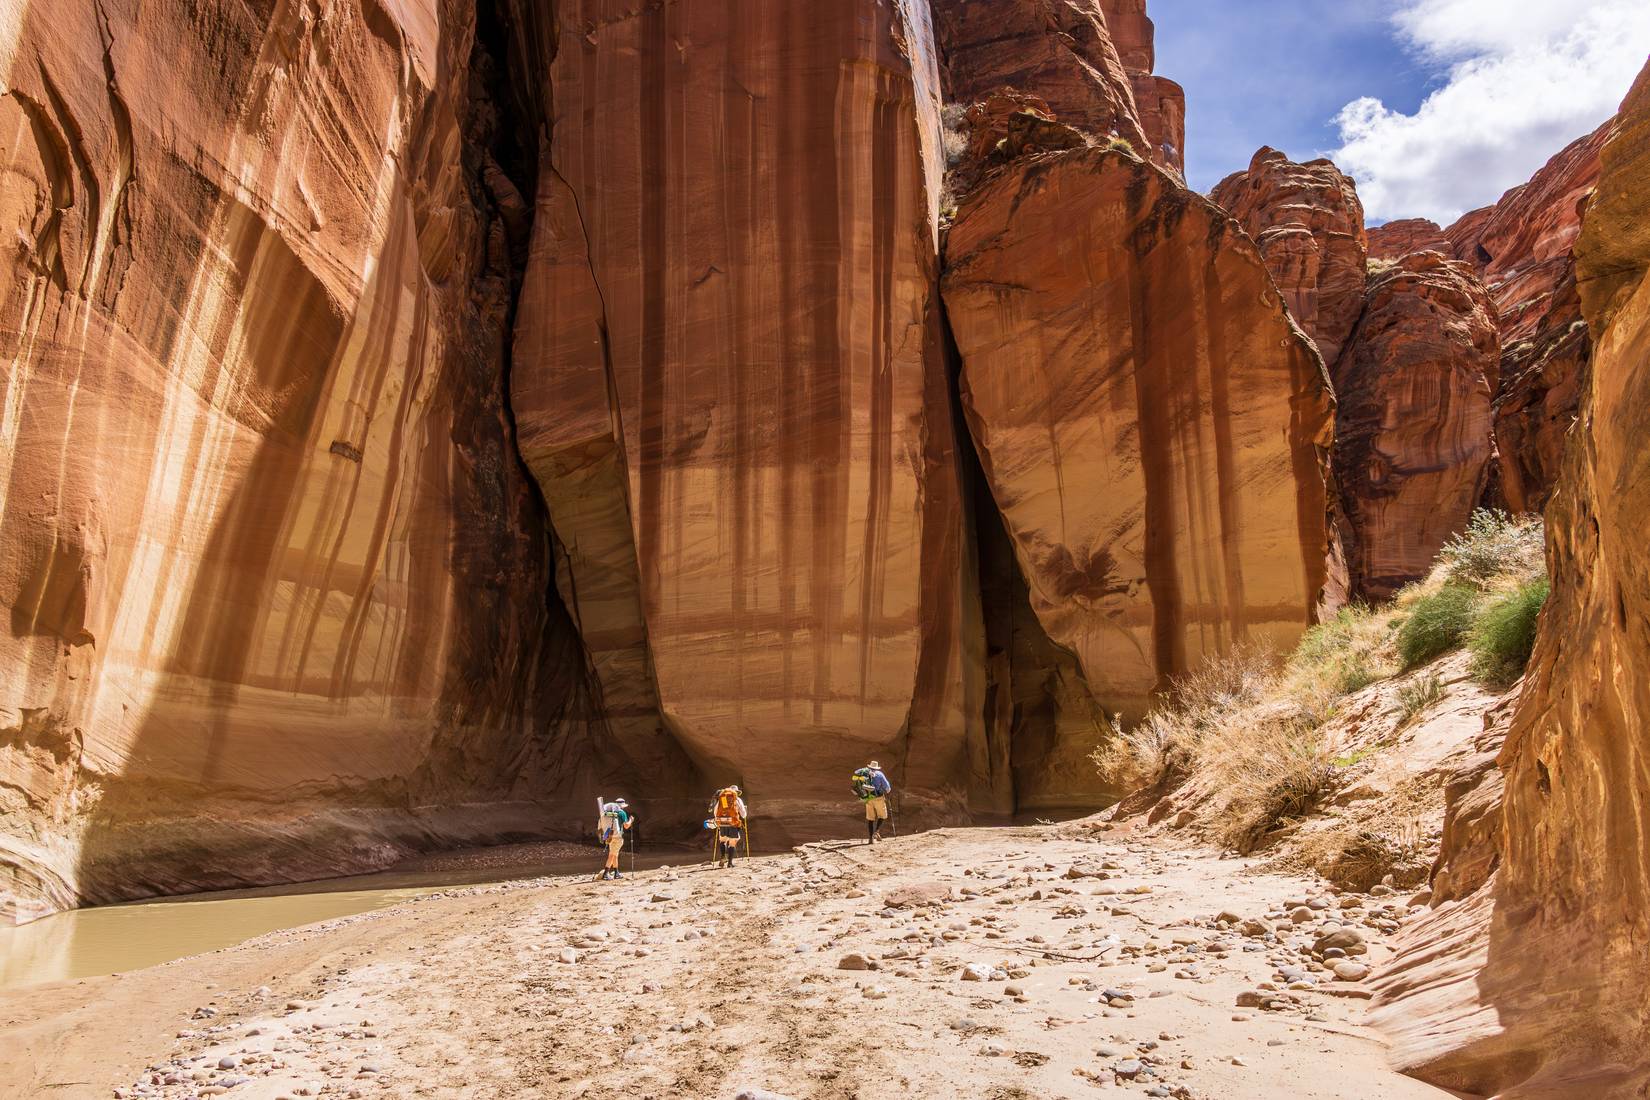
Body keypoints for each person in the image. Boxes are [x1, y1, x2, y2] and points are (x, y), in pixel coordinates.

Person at [852, 761, 892, 844]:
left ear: (869, 767)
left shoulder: (864, 773)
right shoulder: (879, 774)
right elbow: (887, 787)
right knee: (882, 815)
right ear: (876, 768)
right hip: (878, 798)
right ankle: (876, 831)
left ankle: (870, 839)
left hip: (868, 798)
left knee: (870, 818)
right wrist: (887, 790)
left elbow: (856, 773)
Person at [710, 785, 747, 868]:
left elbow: (715, 812)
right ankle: (730, 863)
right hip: (733, 823)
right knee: (732, 843)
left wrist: (720, 819)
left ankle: (723, 856)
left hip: (722, 822)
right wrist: (742, 815)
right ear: (736, 792)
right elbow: (743, 814)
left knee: (722, 840)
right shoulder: (737, 799)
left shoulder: (722, 799)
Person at [598, 798, 634, 880]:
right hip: (618, 837)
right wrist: (631, 820)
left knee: (615, 854)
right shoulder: (622, 813)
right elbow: (626, 826)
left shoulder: (608, 813)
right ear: (622, 806)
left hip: (609, 836)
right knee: (612, 855)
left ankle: (616, 873)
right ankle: (606, 873)